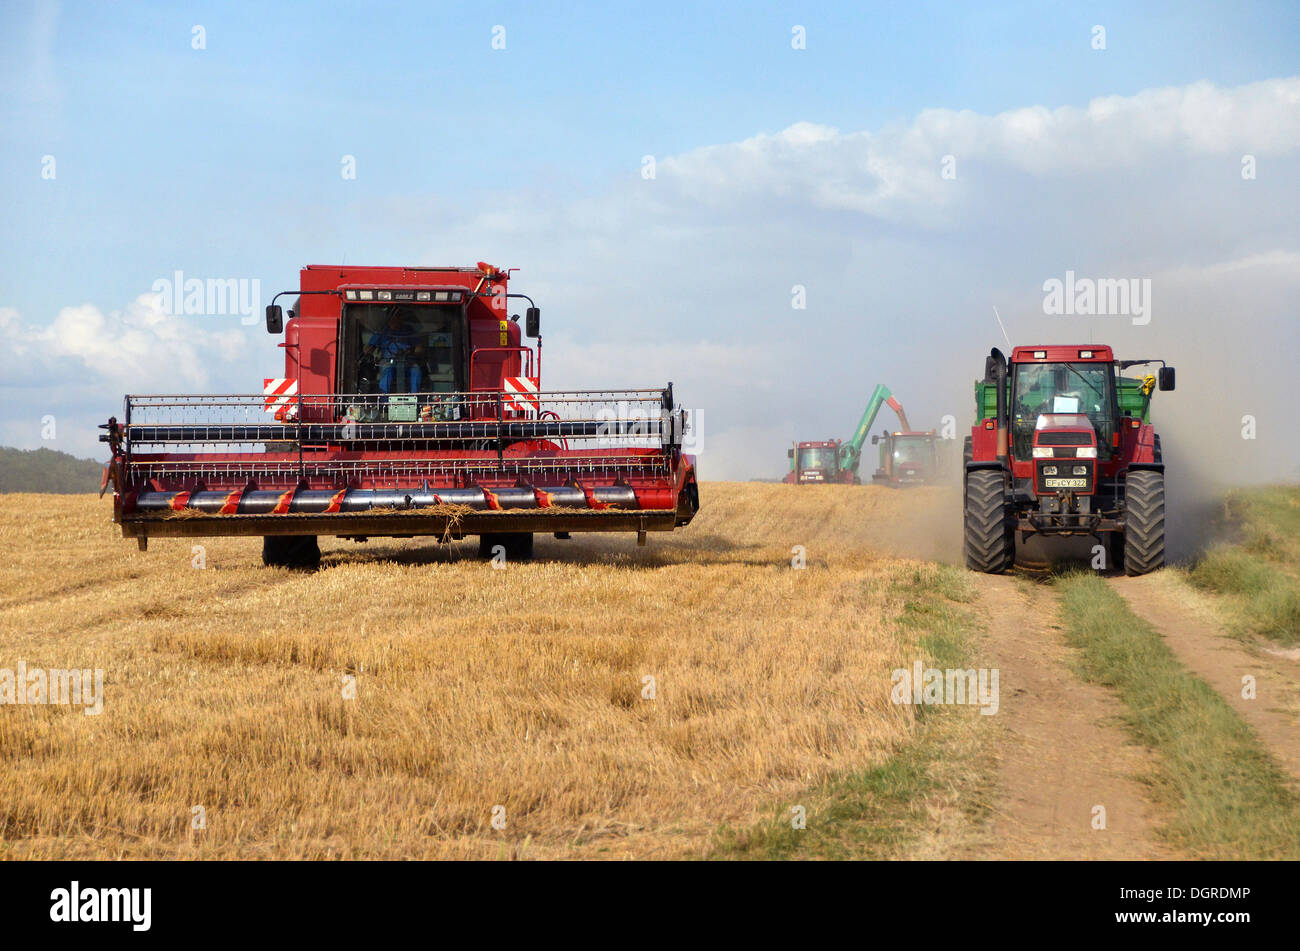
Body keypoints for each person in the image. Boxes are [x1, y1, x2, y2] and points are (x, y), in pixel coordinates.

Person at [364, 308, 424, 394]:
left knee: (416, 371)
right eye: (395, 316)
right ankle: (384, 402)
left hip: (407, 362)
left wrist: (412, 351)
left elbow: (419, 348)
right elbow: (369, 349)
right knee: (387, 371)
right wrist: (368, 350)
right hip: (387, 362)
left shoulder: (408, 330)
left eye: (399, 316)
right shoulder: (382, 331)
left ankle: (414, 399)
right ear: (389, 317)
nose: (397, 319)